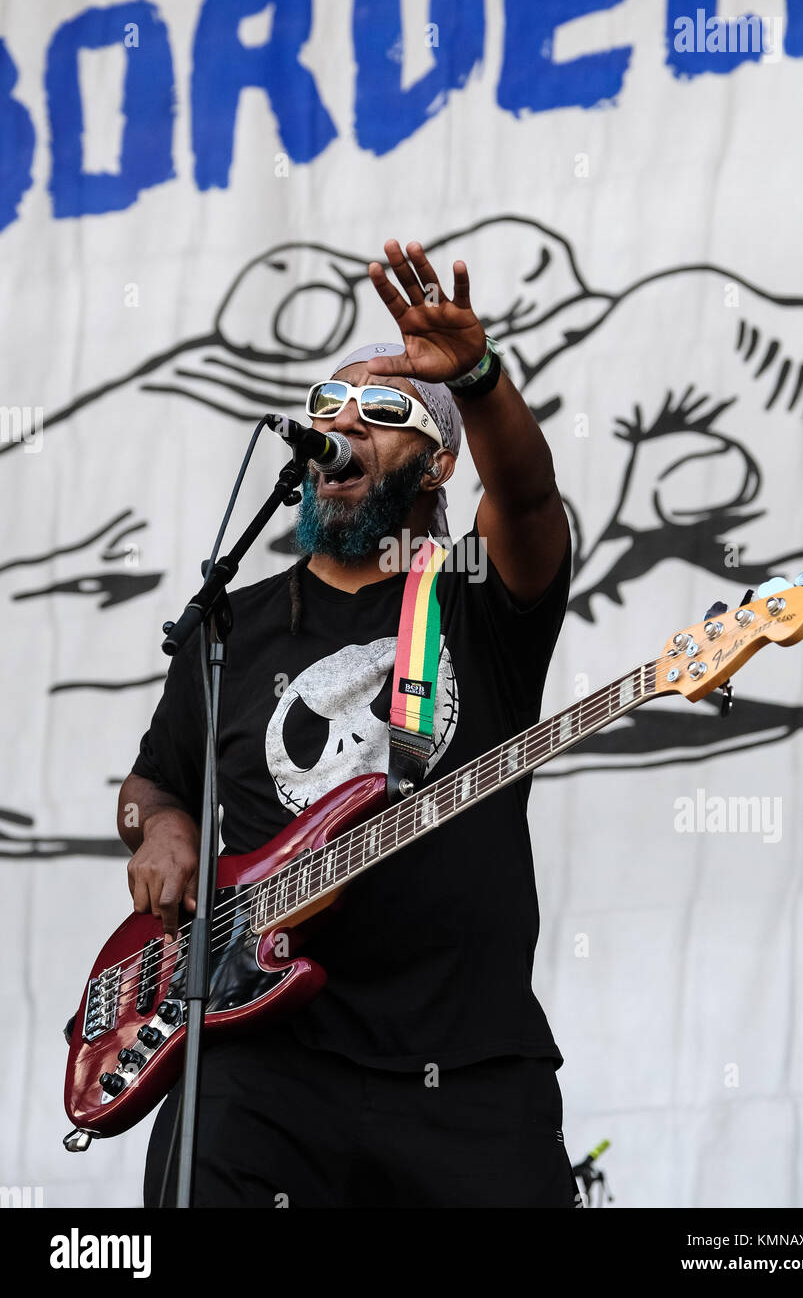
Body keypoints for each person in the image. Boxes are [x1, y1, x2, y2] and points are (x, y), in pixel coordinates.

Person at [119, 239, 574, 1208]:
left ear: (438, 457)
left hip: (465, 1064)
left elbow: (527, 498)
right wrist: (159, 827)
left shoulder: (474, 591)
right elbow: (155, 780)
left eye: (382, 414)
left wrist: (481, 380)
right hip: (264, 1053)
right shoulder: (228, 622)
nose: (342, 428)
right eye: (327, 411)